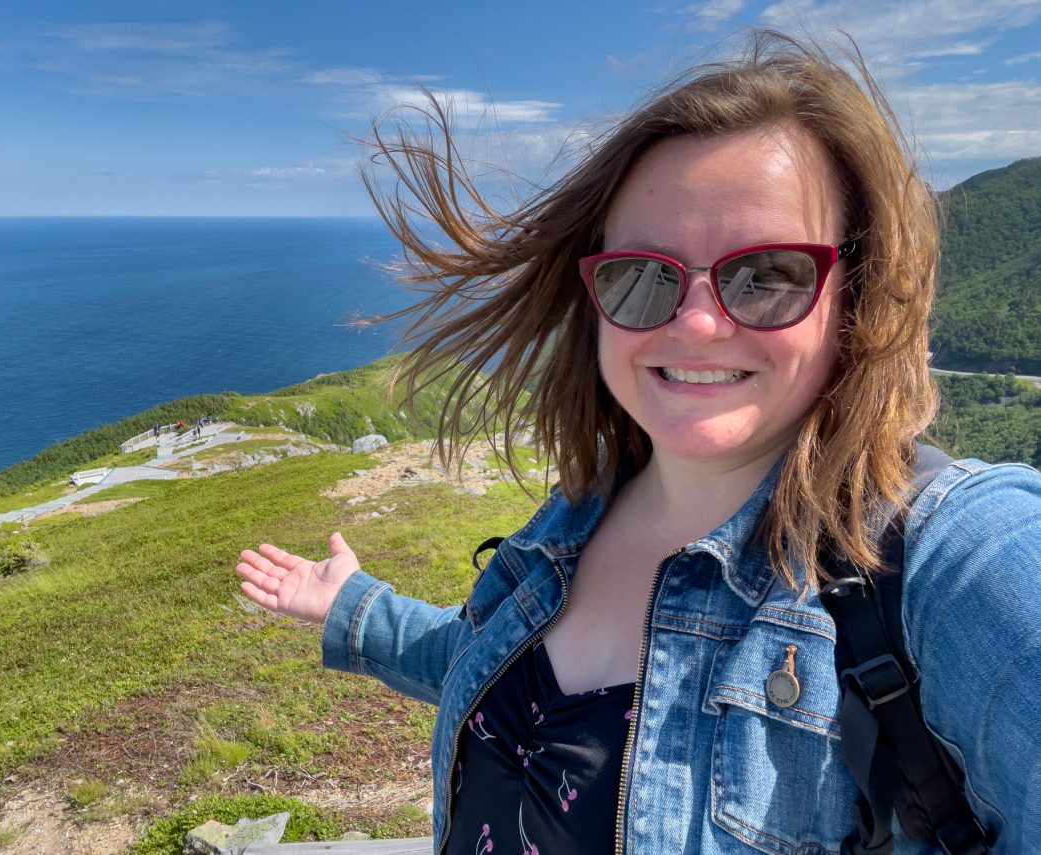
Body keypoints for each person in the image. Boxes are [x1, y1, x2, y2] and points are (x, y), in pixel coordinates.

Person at [237, 31, 1041, 854]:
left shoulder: (951, 567)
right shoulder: (576, 515)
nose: (695, 322)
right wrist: (353, 608)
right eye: (644, 275)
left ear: (855, 296)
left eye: (767, 274)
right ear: (596, 299)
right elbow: (495, 665)